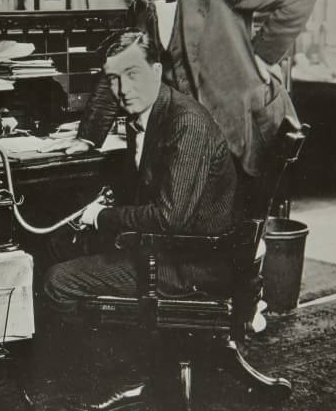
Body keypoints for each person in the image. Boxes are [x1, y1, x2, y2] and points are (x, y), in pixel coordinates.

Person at [43, 30, 243, 410]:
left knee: (58, 283)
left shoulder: (187, 123)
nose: (122, 89)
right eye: (114, 78)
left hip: (191, 265)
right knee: (56, 246)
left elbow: (170, 218)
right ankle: (121, 362)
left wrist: (103, 216)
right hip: (172, 250)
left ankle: (121, 376)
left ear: (156, 69)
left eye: (133, 74)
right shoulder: (153, 113)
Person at [42, 0, 317, 182]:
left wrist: (263, 55)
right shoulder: (139, 8)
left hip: (249, 130)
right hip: (196, 144)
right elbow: (118, 72)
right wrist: (87, 138)